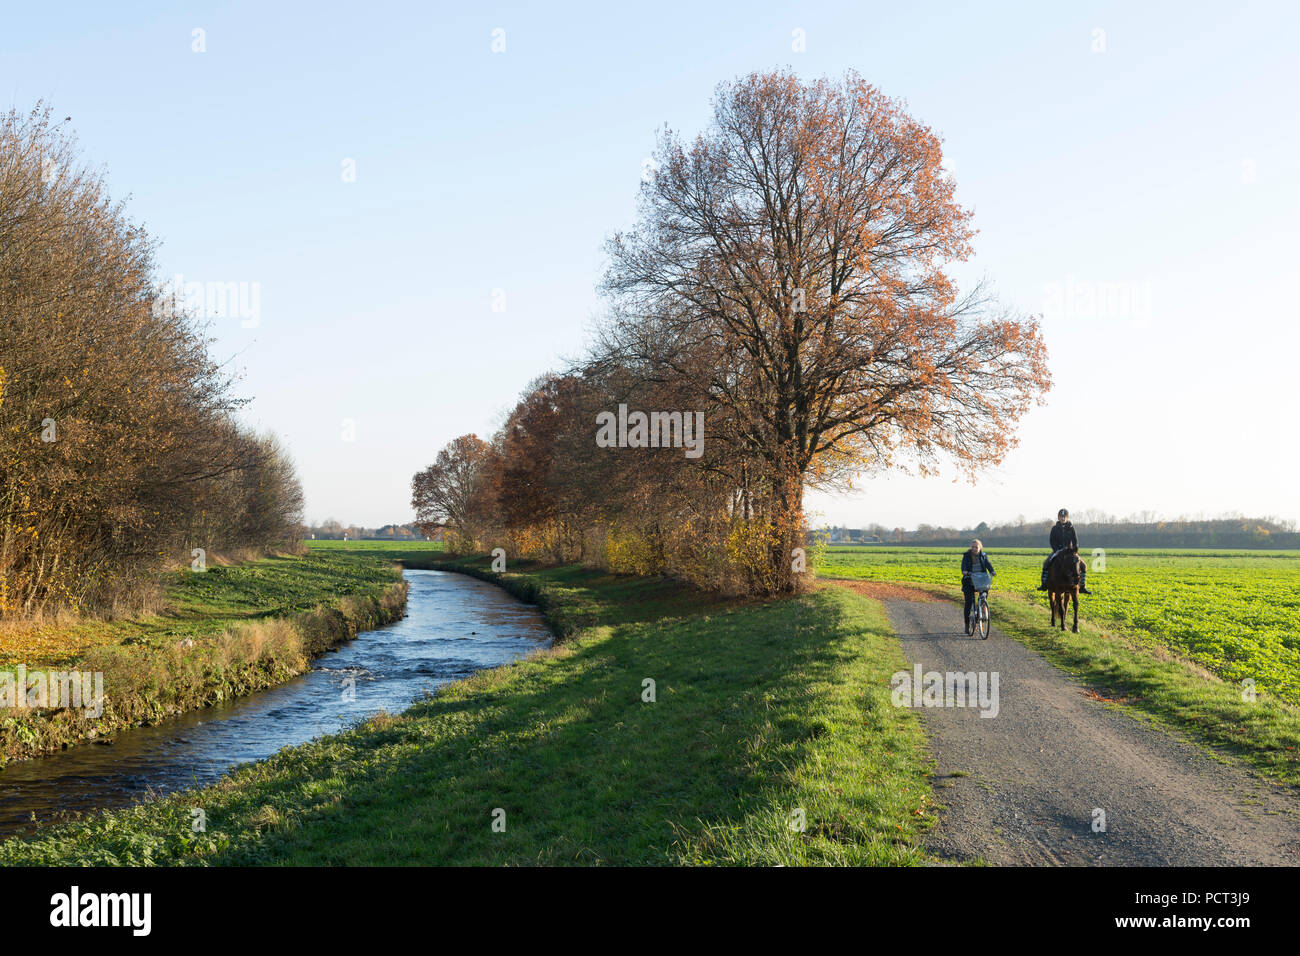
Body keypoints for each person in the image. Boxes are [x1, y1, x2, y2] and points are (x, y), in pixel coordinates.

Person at [1038, 508, 1092, 593]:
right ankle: (1044, 584)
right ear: (1058, 518)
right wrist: (1056, 550)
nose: (1063, 518)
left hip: (1070, 551)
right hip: (1058, 551)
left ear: (1067, 518)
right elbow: (1052, 541)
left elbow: (1075, 541)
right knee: (1046, 563)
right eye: (1061, 517)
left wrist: (1075, 550)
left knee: (1084, 565)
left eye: (1064, 517)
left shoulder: (1071, 528)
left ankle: (1082, 586)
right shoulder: (1054, 529)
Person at [961, 539, 995, 634]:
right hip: (969, 580)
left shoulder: (983, 555)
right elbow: (963, 566)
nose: (974, 549)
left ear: (980, 548)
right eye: (973, 547)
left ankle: (982, 608)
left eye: (976, 547)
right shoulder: (966, 556)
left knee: (984, 593)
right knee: (968, 602)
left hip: (981, 580)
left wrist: (992, 571)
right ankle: (967, 624)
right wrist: (965, 571)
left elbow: (988, 564)